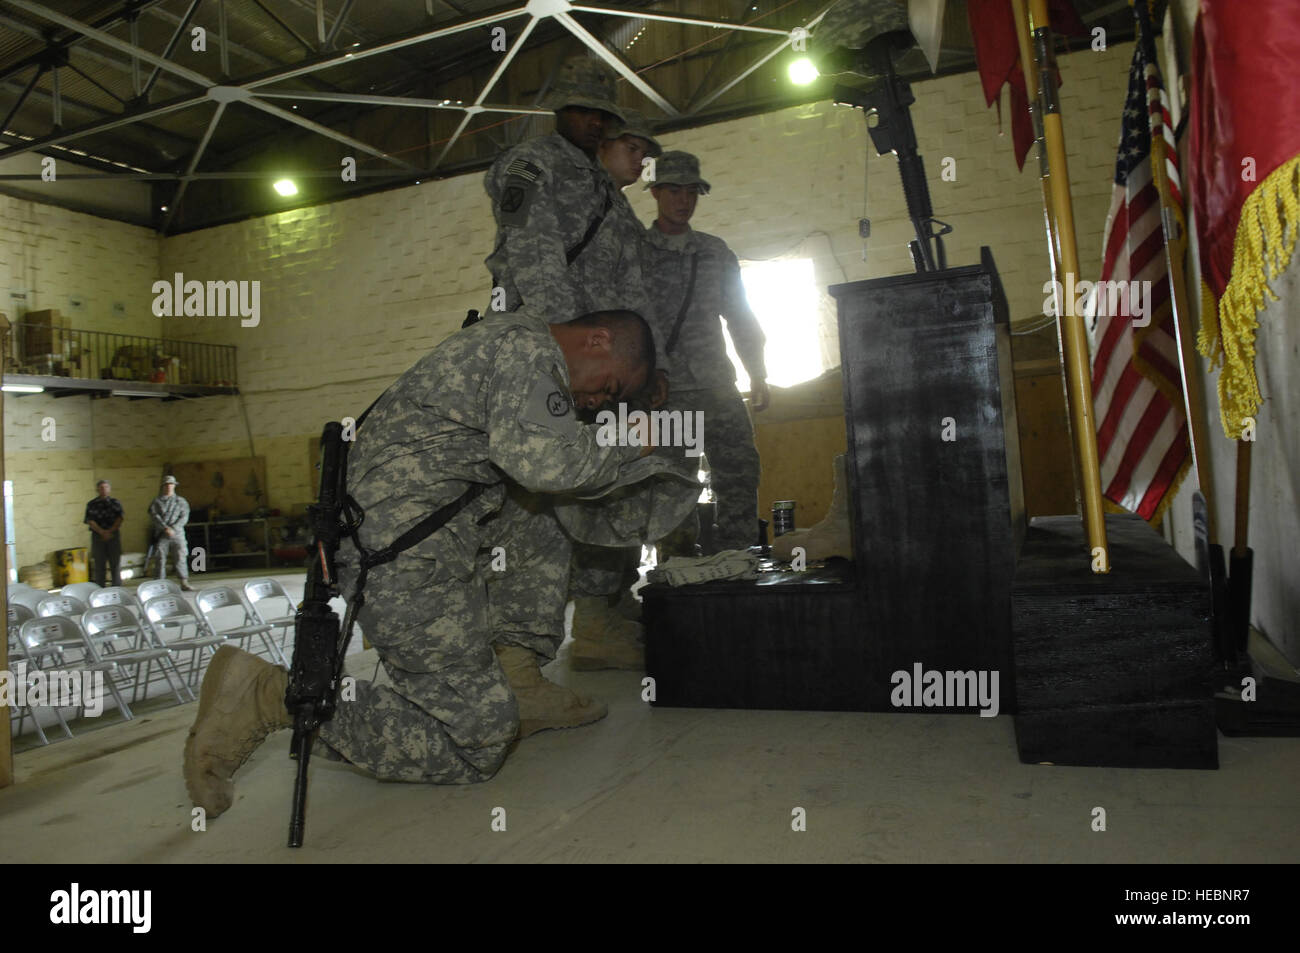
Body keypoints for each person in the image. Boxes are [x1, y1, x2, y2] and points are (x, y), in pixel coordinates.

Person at [184, 308, 680, 816]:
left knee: (543, 513)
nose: (599, 401)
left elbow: (544, 474)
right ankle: (273, 696)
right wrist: (633, 441)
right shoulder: (527, 352)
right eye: (610, 387)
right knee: (481, 739)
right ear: (598, 339)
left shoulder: (516, 343)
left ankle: (517, 677)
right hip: (400, 557)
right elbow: (549, 463)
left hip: (425, 530)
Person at [642, 150, 770, 552]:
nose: (684, 200)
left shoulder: (715, 252)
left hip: (717, 386)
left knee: (738, 474)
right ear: (657, 192)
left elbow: (740, 315)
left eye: (692, 191)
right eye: (674, 191)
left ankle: (738, 563)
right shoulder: (635, 254)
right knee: (674, 487)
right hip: (666, 394)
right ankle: (677, 575)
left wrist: (758, 372)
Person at [483, 56, 649, 323]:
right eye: (584, 111)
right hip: (540, 328)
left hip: (598, 337)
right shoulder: (528, 163)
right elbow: (532, 250)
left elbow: (630, 281)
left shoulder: (607, 189)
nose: (595, 123)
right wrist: (564, 331)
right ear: (560, 111)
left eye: (602, 116)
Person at [149, 475, 194, 591]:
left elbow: (184, 517)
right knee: (160, 558)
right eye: (167, 484)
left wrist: (173, 528)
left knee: (180, 557)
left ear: (174, 486)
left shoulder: (181, 501)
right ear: (163, 486)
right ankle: (160, 584)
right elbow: (154, 516)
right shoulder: (156, 502)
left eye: (171, 484)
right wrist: (165, 528)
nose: (169, 486)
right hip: (162, 534)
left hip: (177, 533)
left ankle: (184, 581)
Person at [84, 479, 123, 587]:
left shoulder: (115, 503)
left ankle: (117, 586)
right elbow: (90, 521)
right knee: (99, 563)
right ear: (97, 489)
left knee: (115, 563)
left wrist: (110, 531)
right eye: (101, 487)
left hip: (113, 535)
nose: (104, 490)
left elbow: (120, 518)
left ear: (109, 489)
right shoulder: (91, 504)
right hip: (98, 536)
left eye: (106, 487)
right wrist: (102, 532)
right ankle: (100, 587)